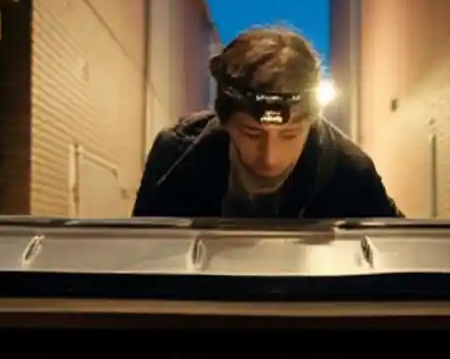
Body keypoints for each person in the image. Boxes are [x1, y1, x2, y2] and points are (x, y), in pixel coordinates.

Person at [132, 27, 403, 219]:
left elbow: (395, 264)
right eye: (252, 134)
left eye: (290, 134)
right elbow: (142, 265)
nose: (270, 158)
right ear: (224, 121)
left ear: (312, 122)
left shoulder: (351, 172)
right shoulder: (175, 157)